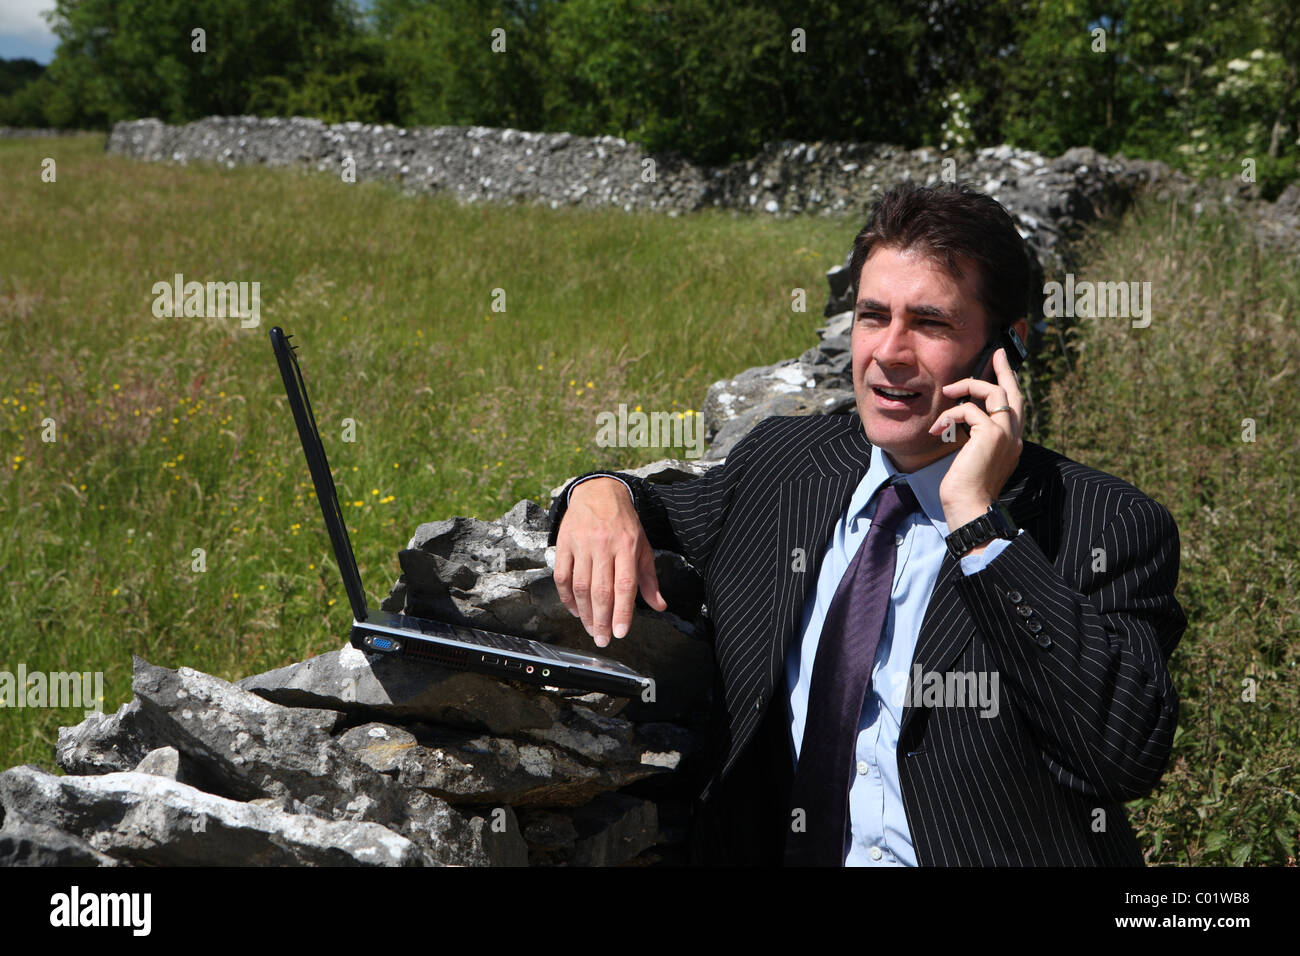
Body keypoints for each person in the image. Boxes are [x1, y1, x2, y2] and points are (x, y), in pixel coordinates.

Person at [546, 182, 1187, 866]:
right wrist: (598, 492)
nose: (889, 352)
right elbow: (667, 508)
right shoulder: (785, 463)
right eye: (873, 315)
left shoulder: (1103, 522)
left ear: (1008, 349)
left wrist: (978, 524)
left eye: (931, 323)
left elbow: (1123, 755)